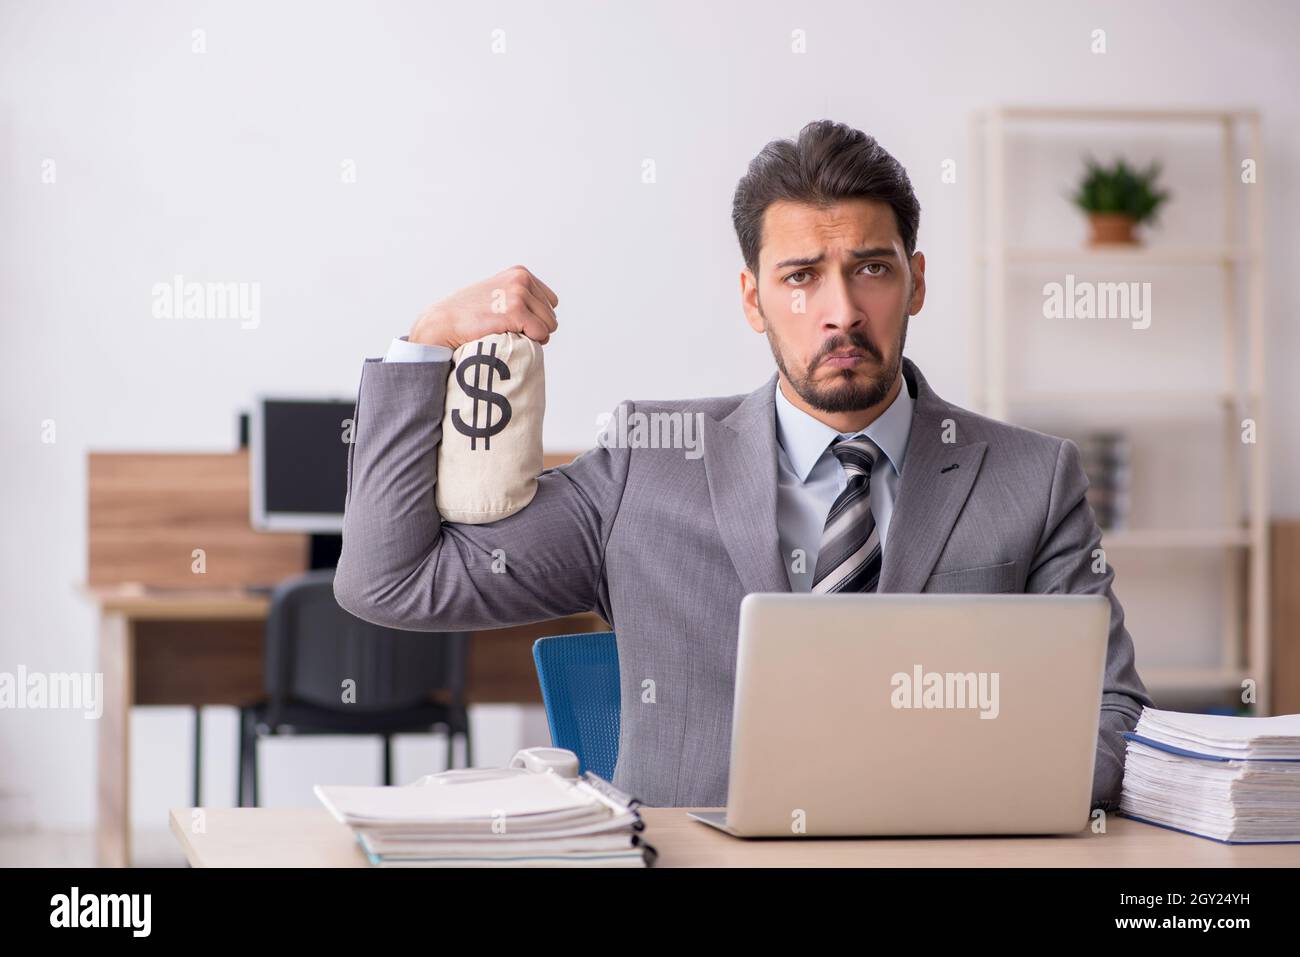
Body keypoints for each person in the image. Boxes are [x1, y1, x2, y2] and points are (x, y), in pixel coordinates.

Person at [333, 119, 1152, 809]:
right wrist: (425, 343)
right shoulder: (645, 468)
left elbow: (1112, 712)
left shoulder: (1031, 478)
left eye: (871, 268)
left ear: (915, 283)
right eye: (800, 277)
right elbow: (388, 579)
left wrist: (960, 809)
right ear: (754, 299)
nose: (840, 311)